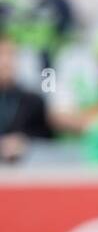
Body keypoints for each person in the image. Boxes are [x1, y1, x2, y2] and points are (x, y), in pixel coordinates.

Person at [0, 34, 53, 163]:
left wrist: (25, 141)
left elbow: (47, 137)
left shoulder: (33, 101)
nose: (6, 61)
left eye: (11, 55)